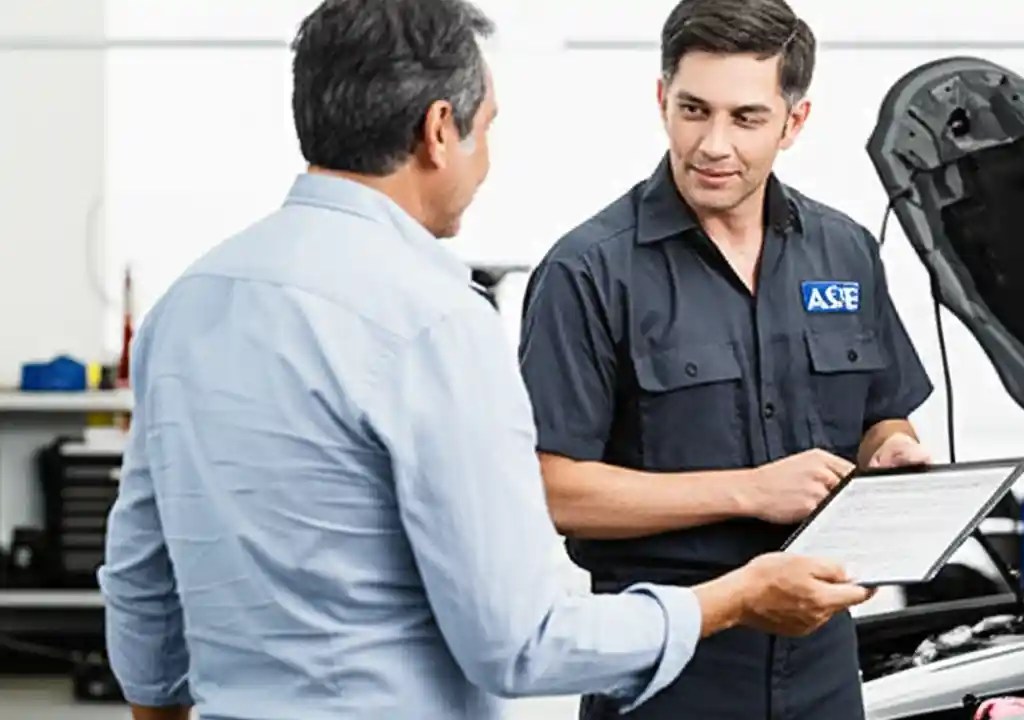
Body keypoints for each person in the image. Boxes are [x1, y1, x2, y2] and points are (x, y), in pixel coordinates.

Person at [95, 2, 878, 720]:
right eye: (487, 127)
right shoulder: (436, 317)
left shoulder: (188, 304)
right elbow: (520, 642)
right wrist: (734, 599)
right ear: (441, 130)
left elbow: (140, 577)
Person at [517, 0, 935, 718]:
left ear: (793, 122)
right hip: (667, 667)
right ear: (660, 100)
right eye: (693, 110)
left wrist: (892, 451)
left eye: (745, 118)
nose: (713, 144)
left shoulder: (845, 251)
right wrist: (747, 490)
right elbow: (550, 489)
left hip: (827, 665)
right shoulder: (588, 272)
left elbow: (881, 415)